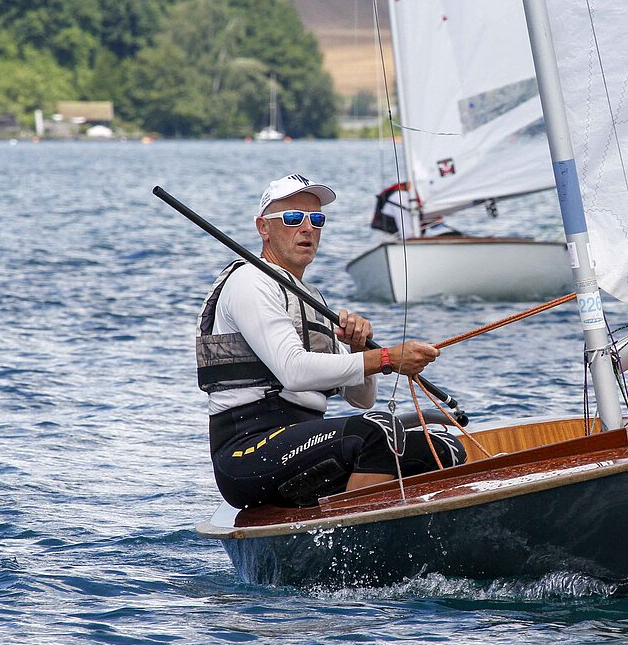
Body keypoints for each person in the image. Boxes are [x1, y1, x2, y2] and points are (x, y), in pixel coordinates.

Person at [197, 173, 466, 509]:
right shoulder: (250, 281)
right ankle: (351, 546)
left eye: (317, 219)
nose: (308, 228)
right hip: (246, 449)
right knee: (377, 431)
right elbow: (294, 371)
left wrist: (358, 350)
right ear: (263, 228)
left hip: (304, 441)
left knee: (443, 449)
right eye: (293, 218)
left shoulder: (310, 298)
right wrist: (384, 358)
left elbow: (361, 398)